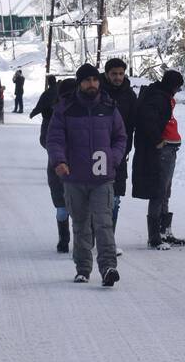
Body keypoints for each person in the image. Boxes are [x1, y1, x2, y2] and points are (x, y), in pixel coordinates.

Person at [46, 64, 127, 286]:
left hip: (102, 178)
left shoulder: (109, 107)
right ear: (80, 83)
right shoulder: (66, 108)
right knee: (81, 225)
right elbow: (55, 139)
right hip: (74, 178)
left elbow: (121, 137)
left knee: (103, 223)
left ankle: (108, 267)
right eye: (87, 81)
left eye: (95, 80)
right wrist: (59, 161)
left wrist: (114, 157)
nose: (92, 84)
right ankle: (82, 268)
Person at [132, 69, 185, 249]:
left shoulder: (159, 94)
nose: (177, 91)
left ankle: (163, 232)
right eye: (178, 87)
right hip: (163, 150)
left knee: (164, 191)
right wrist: (158, 140)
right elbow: (147, 120)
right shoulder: (158, 97)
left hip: (169, 148)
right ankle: (155, 237)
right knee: (159, 191)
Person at [33, 76, 78, 253]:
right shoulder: (53, 113)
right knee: (62, 206)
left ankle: (78, 240)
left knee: (78, 206)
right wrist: (59, 153)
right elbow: (46, 140)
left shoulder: (85, 112)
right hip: (58, 166)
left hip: (75, 166)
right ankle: (64, 239)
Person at [100, 58, 138, 229]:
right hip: (96, 152)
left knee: (115, 198)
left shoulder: (129, 95)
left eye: (121, 74)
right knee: (97, 198)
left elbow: (133, 123)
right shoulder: (97, 92)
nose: (118, 77)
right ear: (107, 74)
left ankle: (109, 239)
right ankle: (93, 236)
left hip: (120, 153)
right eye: (114, 74)